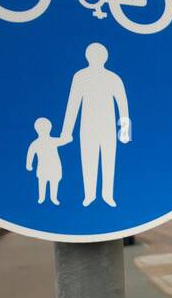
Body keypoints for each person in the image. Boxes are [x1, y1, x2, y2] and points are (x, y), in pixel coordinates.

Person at [58, 42, 130, 207]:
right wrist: (66, 132)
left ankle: (108, 195)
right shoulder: (80, 77)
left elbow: (123, 105)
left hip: (108, 128)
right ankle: (89, 195)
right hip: (87, 128)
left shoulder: (113, 78)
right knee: (88, 160)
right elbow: (73, 105)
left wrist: (125, 132)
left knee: (108, 160)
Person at [25, 117, 64, 205]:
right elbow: (30, 154)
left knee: (54, 182)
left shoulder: (53, 140)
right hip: (43, 168)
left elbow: (64, 140)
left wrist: (67, 136)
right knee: (42, 182)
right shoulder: (36, 143)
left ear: (49, 129)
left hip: (55, 167)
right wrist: (29, 165)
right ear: (37, 130)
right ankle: (41, 198)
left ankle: (54, 198)